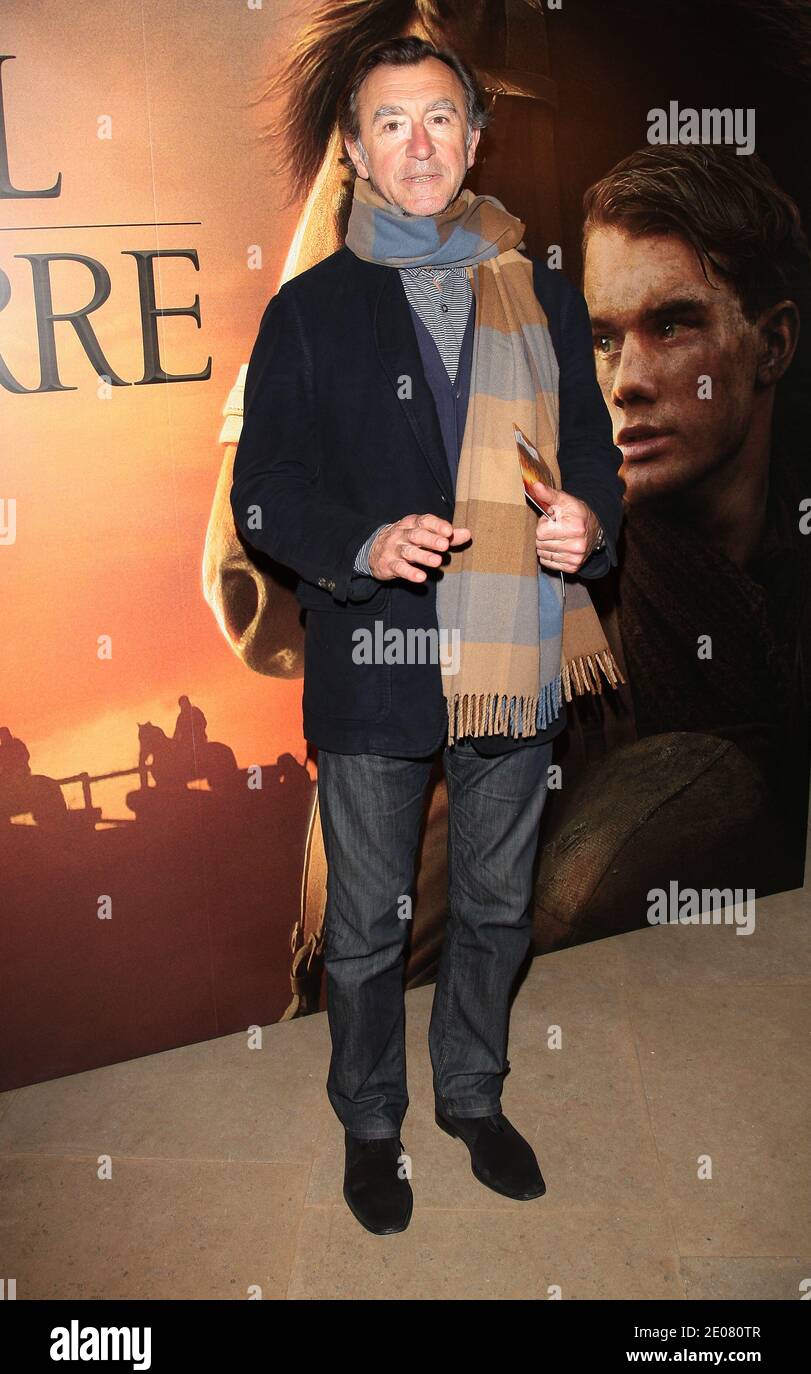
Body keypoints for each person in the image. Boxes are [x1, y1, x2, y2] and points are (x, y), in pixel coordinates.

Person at [231, 36, 624, 1235]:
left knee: (497, 905)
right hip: (379, 655)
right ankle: (368, 1124)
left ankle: (469, 1093)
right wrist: (360, 544)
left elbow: (596, 458)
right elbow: (264, 492)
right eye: (391, 123)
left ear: (472, 138)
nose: (419, 144)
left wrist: (583, 527)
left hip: (516, 658)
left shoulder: (540, 289)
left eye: (441, 120)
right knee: (362, 925)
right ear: (353, 150)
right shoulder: (310, 308)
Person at [580, 145, 811, 864]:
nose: (626, 382)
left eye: (672, 325)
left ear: (770, 345)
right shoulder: (546, 626)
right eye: (604, 339)